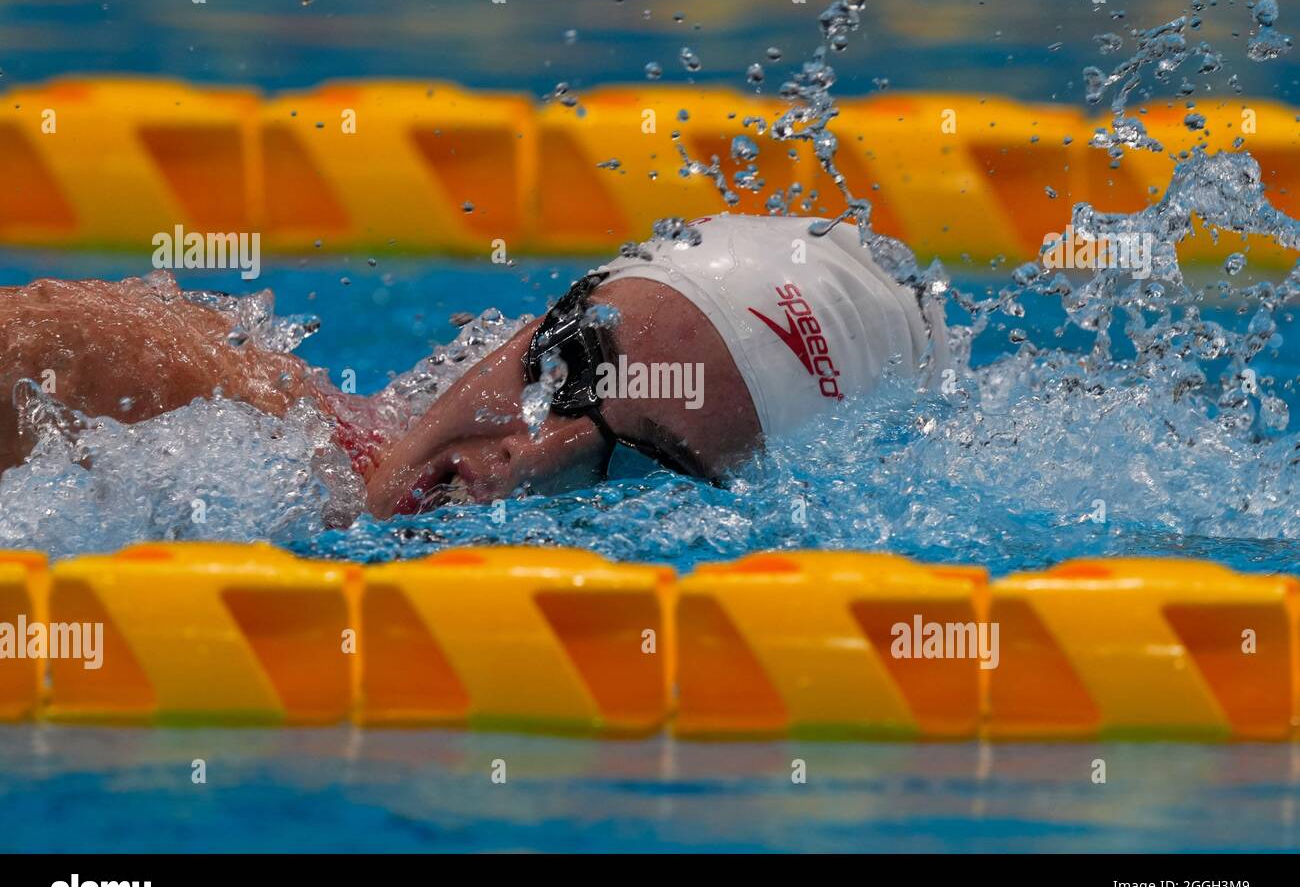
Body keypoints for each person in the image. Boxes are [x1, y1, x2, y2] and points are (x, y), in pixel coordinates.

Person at [0, 215, 948, 518]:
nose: (522, 457)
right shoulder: (124, 390)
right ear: (511, 330)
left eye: (647, 459)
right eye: (568, 364)